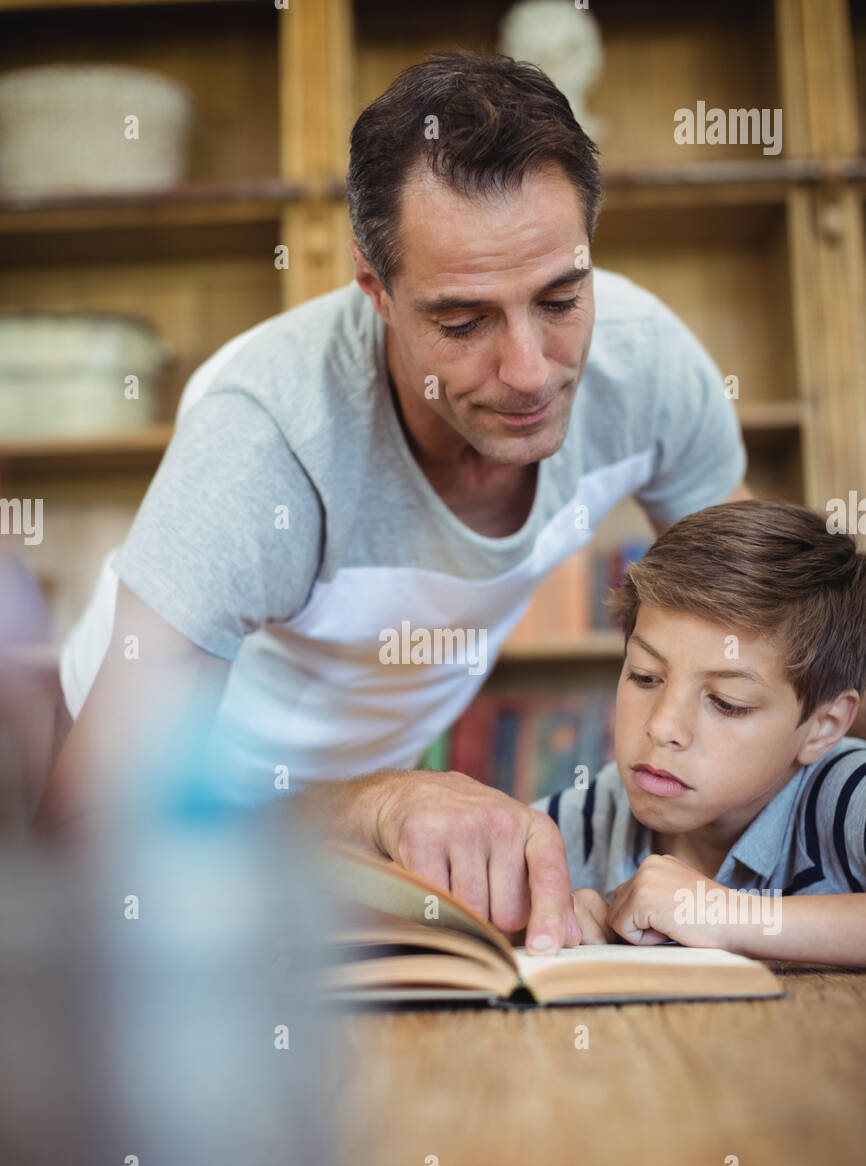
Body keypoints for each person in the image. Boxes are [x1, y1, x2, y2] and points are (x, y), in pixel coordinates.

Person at [37, 52, 767, 955]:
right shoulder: (264, 438)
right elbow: (89, 821)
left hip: (369, 810)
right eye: (462, 324)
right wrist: (373, 802)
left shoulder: (649, 367)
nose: (531, 372)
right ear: (374, 290)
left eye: (561, 298)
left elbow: (770, 645)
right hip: (182, 789)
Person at [531, 500, 866, 967]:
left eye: (727, 703)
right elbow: (412, 900)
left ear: (822, 726)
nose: (662, 726)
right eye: (645, 676)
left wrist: (722, 916)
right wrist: (531, 918)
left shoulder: (848, 792)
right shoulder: (593, 812)